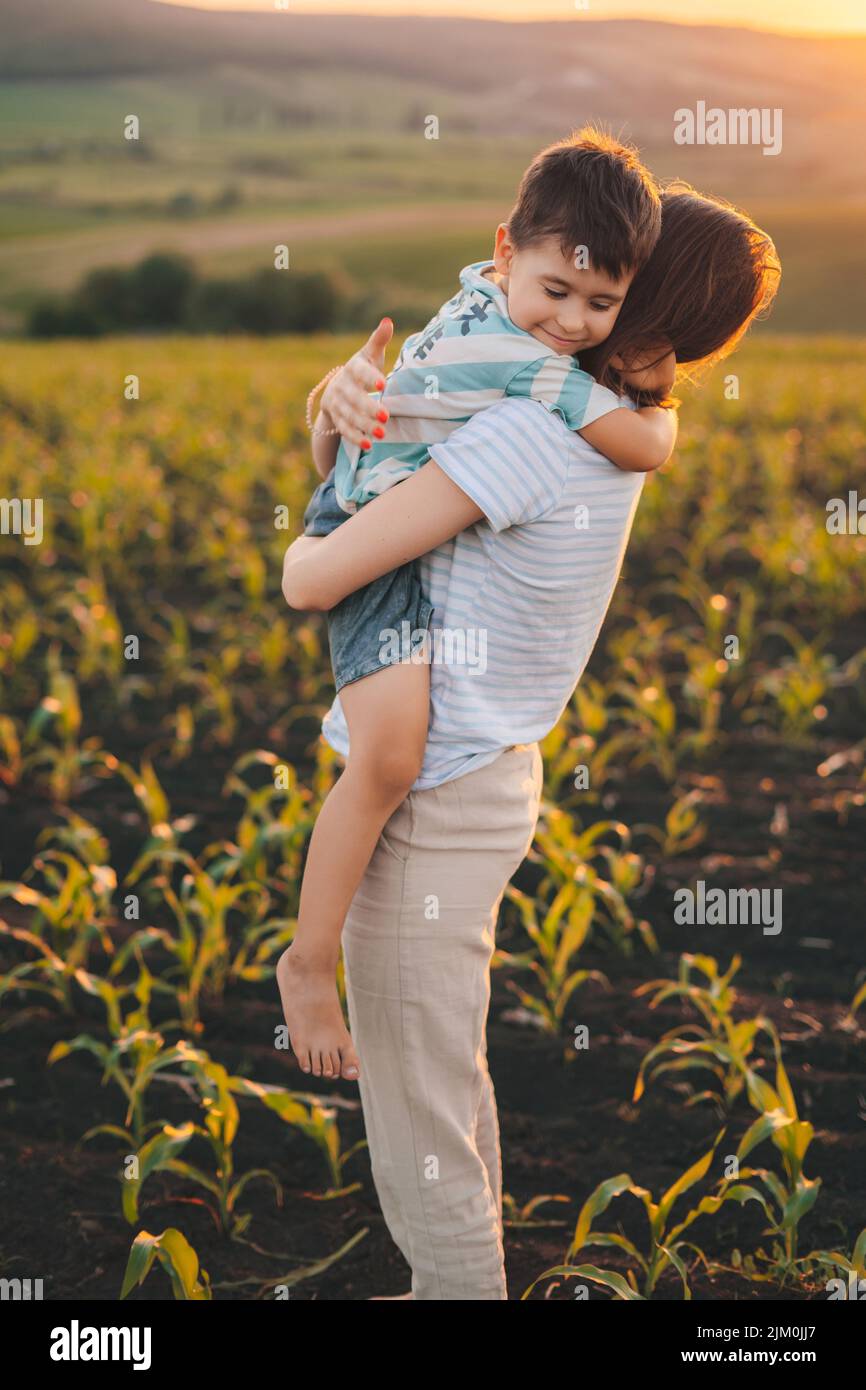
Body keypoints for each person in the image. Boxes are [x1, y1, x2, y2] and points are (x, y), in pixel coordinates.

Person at [279, 183, 779, 1299]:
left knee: (419, 1113)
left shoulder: (522, 432)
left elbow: (327, 559)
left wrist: (317, 492)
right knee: (441, 1083)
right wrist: (339, 396)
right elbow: (367, 439)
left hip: (430, 801)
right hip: (488, 776)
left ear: (636, 296)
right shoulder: (612, 426)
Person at [279, 128, 676, 1083]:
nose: (575, 323)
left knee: (390, 754)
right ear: (504, 250)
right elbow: (644, 450)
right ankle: (304, 962)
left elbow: (366, 418)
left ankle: (307, 953)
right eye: (557, 291)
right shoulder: (522, 365)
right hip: (370, 543)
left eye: (603, 305)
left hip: (369, 516)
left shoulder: (476, 308)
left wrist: (335, 405)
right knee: (386, 760)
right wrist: (665, 411)